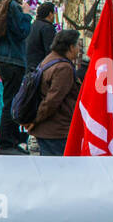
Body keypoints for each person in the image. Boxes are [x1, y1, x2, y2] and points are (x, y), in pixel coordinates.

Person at [0, 0, 35, 154]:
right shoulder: (15, 7)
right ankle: (7, 142)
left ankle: (10, 140)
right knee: (12, 100)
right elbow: (22, 32)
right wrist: (27, 15)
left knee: (10, 99)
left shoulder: (6, 4)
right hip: (13, 59)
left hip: (5, 57)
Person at [26, 29, 82, 157]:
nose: (79, 49)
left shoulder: (47, 61)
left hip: (48, 130)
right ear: (71, 47)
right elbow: (52, 100)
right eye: (77, 45)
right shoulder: (63, 68)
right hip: (56, 131)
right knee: (61, 172)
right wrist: (35, 120)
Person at [25, 1, 57, 74]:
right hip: (41, 69)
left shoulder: (32, 26)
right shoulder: (47, 28)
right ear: (50, 14)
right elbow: (51, 51)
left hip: (29, 69)